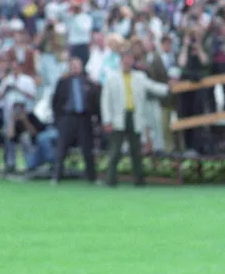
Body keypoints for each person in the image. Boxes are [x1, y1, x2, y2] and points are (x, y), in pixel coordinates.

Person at [102, 48, 170, 187]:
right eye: (125, 59)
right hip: (118, 117)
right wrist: (107, 120)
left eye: (130, 59)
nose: (127, 62)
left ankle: (139, 180)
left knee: (136, 151)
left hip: (134, 116)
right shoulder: (112, 78)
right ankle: (110, 179)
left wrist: (168, 89)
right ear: (121, 61)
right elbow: (105, 101)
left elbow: (152, 86)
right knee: (115, 150)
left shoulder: (139, 77)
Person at [51, 56, 101, 184]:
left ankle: (92, 177)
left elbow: (95, 102)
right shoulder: (63, 81)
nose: (75, 68)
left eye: (77, 66)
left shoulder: (88, 82)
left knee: (87, 149)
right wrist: (58, 120)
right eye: (73, 66)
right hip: (67, 117)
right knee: (61, 148)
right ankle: (56, 176)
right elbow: (55, 102)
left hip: (84, 118)